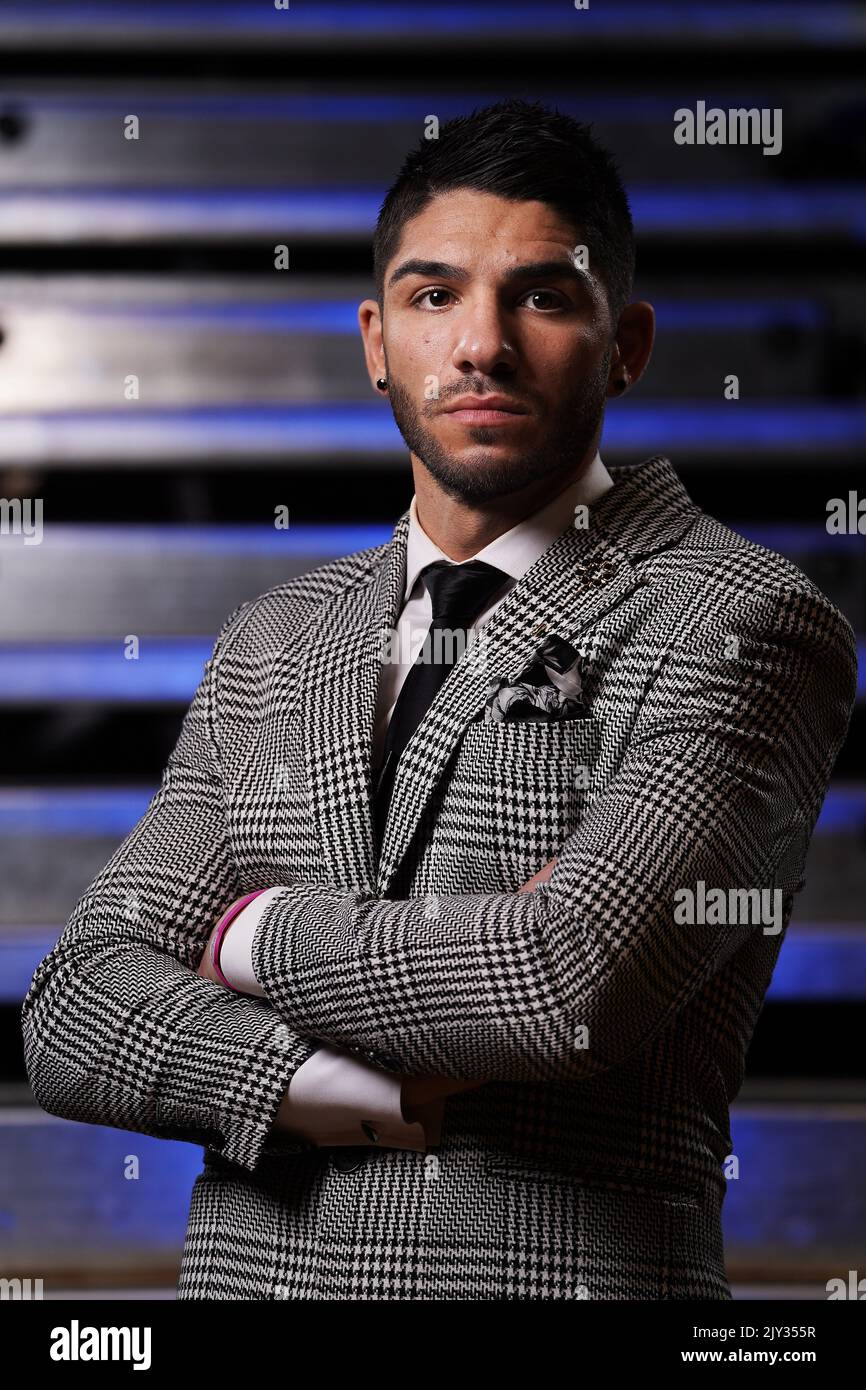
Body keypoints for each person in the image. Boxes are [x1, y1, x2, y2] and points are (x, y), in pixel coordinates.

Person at [21, 98, 857, 1300]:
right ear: (375, 341)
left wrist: (244, 933)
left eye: (542, 296)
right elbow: (76, 1005)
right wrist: (333, 1084)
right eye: (433, 296)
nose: (480, 345)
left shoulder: (740, 619)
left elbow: (559, 980)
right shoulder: (275, 638)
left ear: (624, 344)